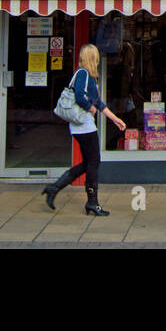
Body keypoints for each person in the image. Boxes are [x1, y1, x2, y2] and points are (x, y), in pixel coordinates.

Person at [43, 44, 125, 214]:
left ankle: (55, 188)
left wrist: (116, 119)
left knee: (89, 163)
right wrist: (91, 108)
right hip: (84, 126)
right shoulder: (82, 74)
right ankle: (92, 202)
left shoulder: (89, 77)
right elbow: (80, 97)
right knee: (94, 163)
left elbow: (100, 104)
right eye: (96, 56)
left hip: (82, 126)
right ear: (92, 58)